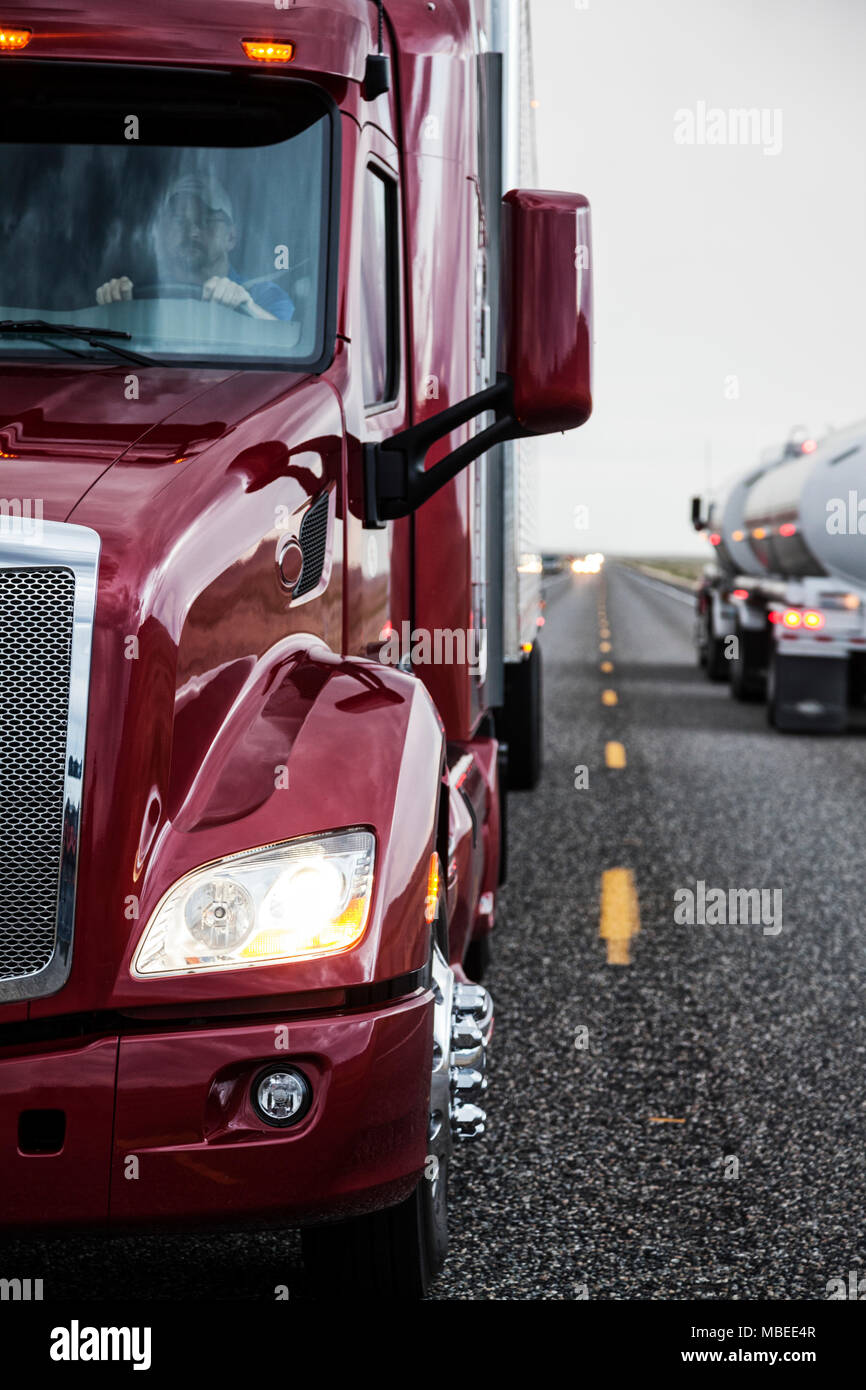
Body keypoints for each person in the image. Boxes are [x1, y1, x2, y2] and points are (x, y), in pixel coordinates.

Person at [95, 173, 294, 321]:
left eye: (207, 220)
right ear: (162, 235)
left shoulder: (265, 296)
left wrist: (248, 308)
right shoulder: (137, 298)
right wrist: (113, 311)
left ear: (231, 237)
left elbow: (288, 353)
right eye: (179, 221)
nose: (192, 232)